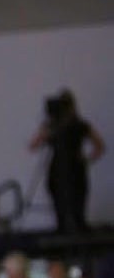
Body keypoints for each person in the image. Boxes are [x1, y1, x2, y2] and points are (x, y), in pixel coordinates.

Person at [29, 90, 106, 234]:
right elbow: (33, 145)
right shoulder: (54, 126)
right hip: (58, 171)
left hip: (74, 171)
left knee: (78, 214)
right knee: (61, 215)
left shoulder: (80, 125)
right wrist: (46, 130)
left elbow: (100, 145)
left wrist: (88, 159)